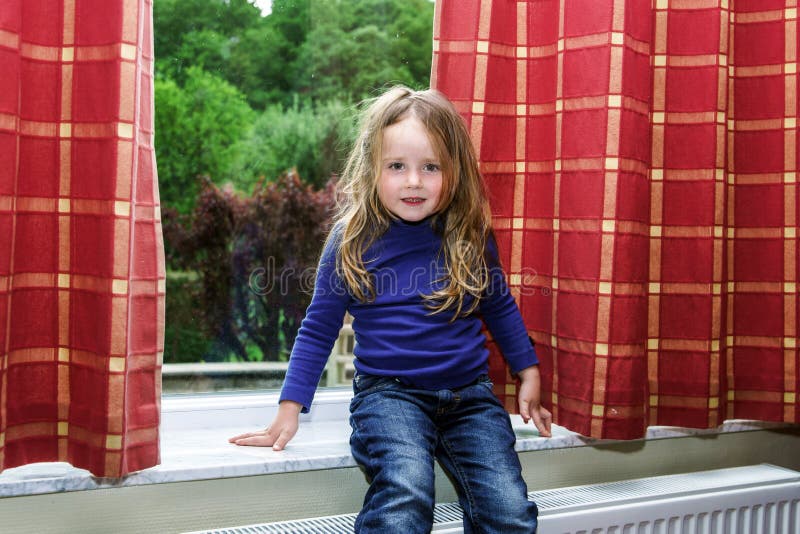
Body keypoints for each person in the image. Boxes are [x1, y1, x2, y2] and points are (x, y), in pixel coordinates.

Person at [229, 86, 552, 533]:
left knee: (509, 509)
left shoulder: (471, 236)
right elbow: (318, 328)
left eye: (430, 167)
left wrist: (528, 370)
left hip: (471, 399)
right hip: (389, 395)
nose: (413, 181)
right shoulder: (351, 240)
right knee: (406, 491)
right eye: (397, 166)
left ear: (453, 171)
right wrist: (290, 407)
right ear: (372, 169)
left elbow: (497, 304)